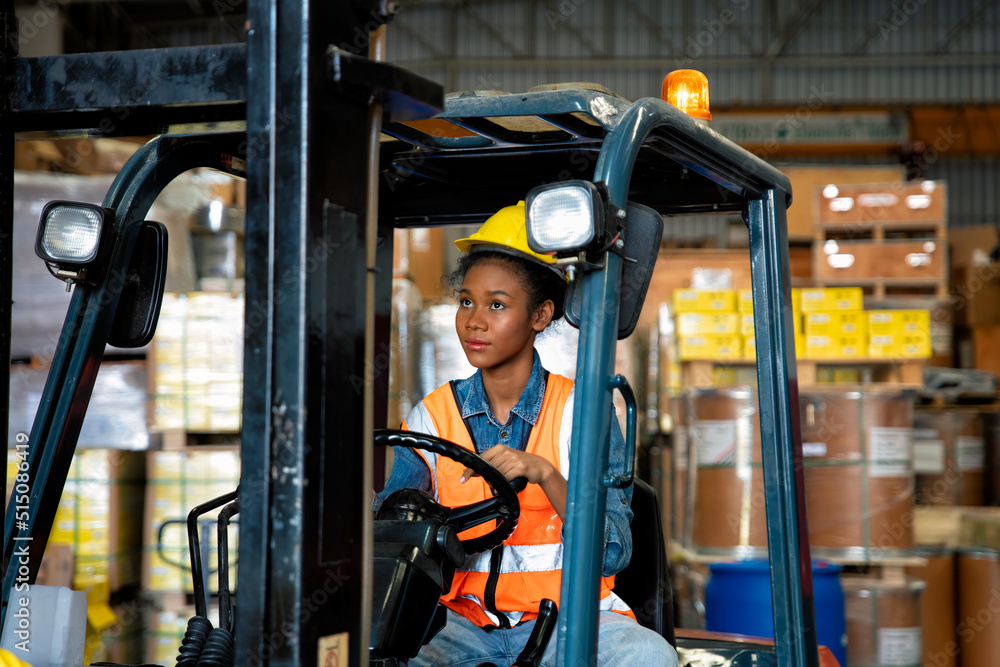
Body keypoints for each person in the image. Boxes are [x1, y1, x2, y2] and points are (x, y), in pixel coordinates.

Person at [378, 201, 678, 667]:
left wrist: (546, 474)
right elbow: (394, 535)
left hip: (570, 623)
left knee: (649, 656)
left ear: (540, 315)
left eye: (497, 305)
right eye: (466, 302)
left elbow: (612, 552)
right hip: (461, 626)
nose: (474, 321)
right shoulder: (430, 419)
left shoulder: (582, 413)